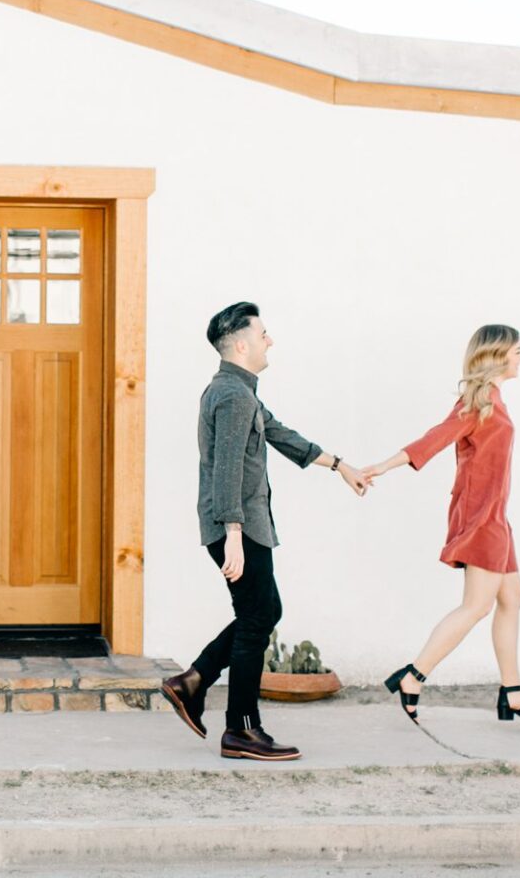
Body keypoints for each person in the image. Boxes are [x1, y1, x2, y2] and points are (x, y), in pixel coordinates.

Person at [161, 301, 370, 761]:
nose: (269, 340)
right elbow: (227, 469)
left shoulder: (240, 392)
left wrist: (338, 465)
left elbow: (279, 434)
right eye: (263, 334)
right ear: (240, 343)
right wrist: (233, 531)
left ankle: (193, 681)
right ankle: (240, 728)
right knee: (258, 617)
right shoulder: (233, 396)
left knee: (262, 611)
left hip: (242, 523)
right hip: (239, 525)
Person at [360, 324, 520, 726]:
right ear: (498, 354)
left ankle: (512, 692)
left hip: (497, 514)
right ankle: (413, 677)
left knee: (512, 597)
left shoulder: (494, 399)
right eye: (517, 350)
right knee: (476, 606)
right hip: (482, 517)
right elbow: (434, 439)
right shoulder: (476, 403)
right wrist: (382, 465)